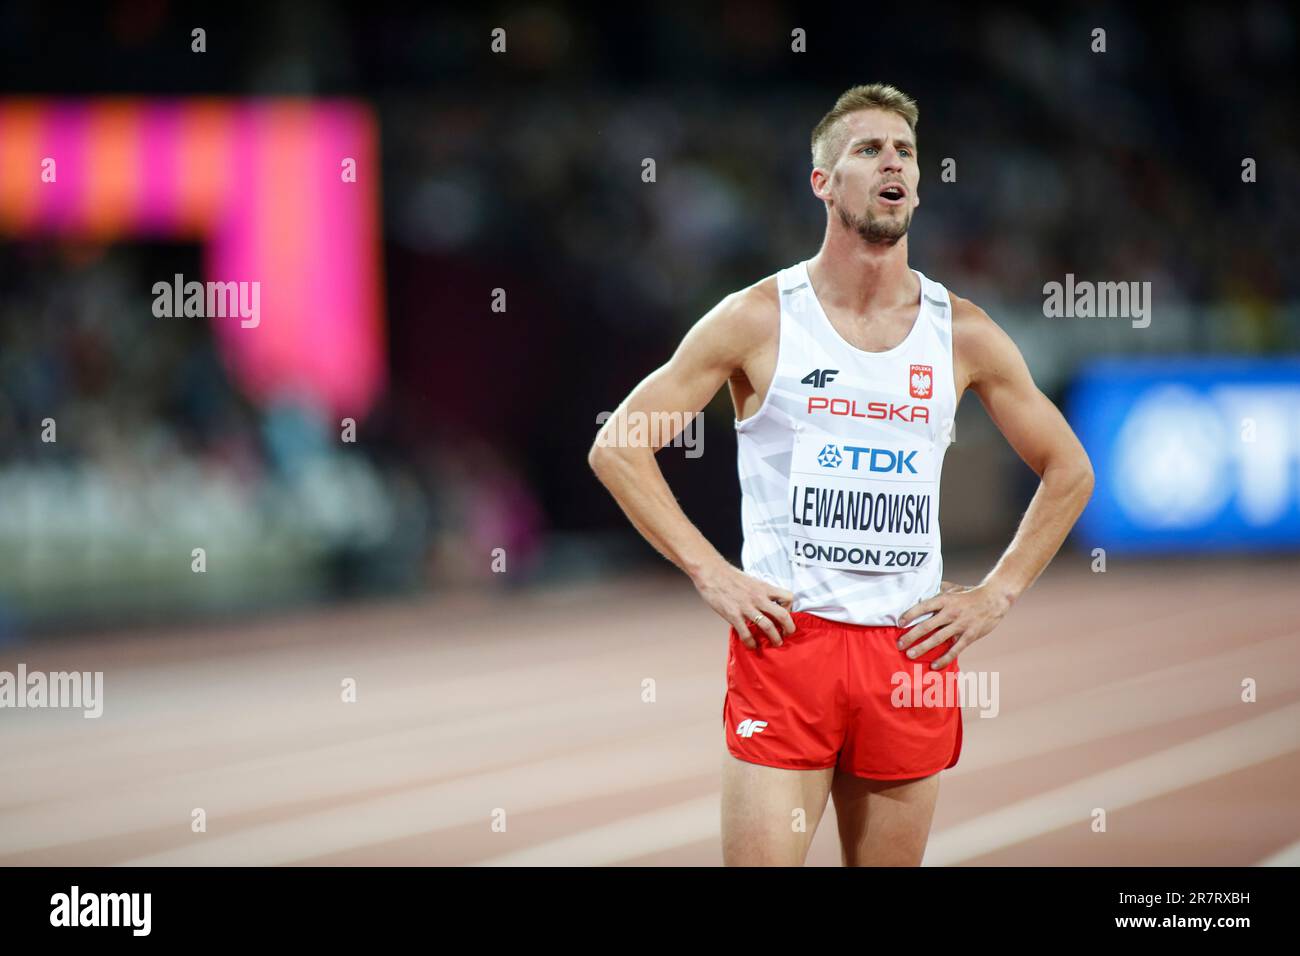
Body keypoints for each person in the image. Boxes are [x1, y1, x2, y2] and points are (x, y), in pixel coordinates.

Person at [588, 83, 1094, 866]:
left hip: (908, 653)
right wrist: (712, 574)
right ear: (822, 182)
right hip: (789, 645)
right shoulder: (757, 318)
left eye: (906, 152)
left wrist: (999, 592)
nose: (892, 162)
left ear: (918, 186)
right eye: (868, 149)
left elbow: (1068, 470)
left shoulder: (961, 332)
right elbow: (619, 445)